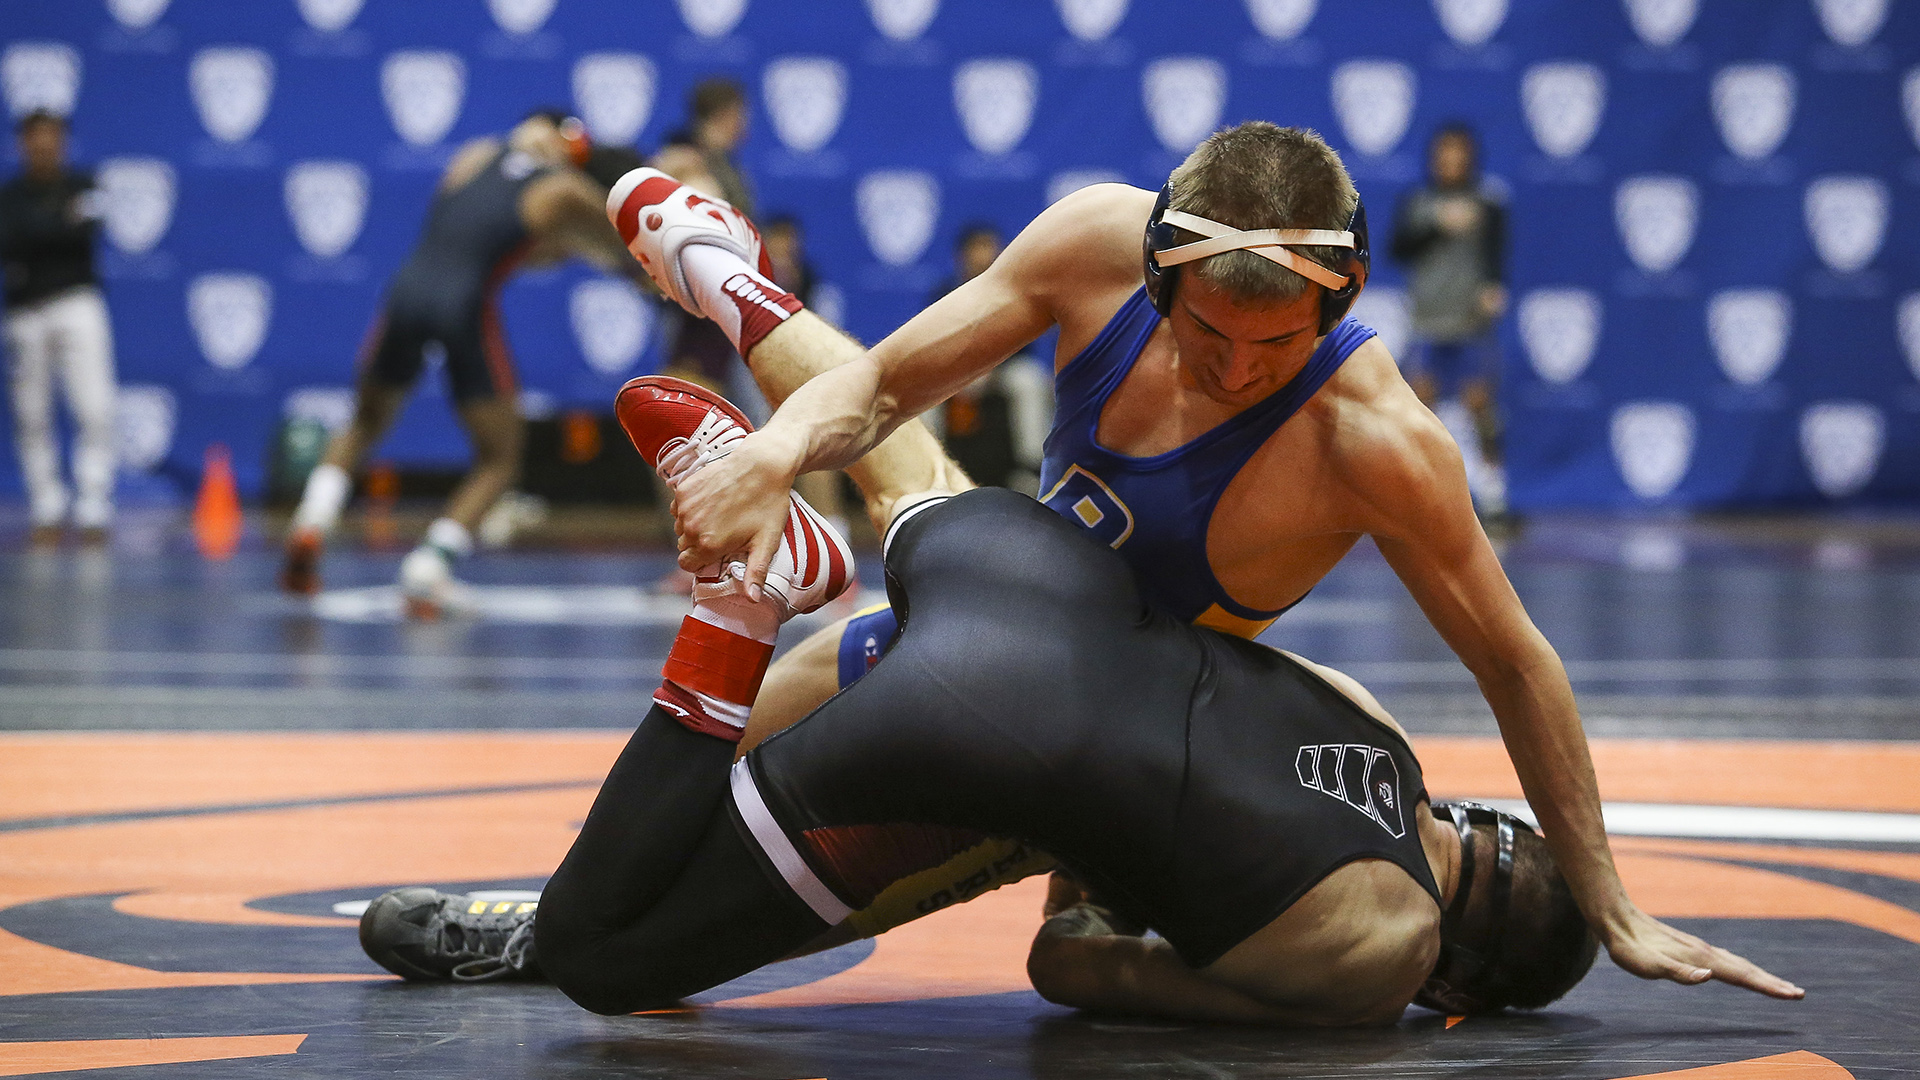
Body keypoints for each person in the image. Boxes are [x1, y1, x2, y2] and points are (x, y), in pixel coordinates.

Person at [598, 120, 1787, 993]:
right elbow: (885, 384)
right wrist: (775, 458)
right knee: (669, 818)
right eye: (1209, 331)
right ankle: (730, 288)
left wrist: (1610, 901)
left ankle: (730, 283)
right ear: (1161, 269)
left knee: (692, 923)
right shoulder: (1097, 244)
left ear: (1339, 304)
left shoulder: (1380, 443)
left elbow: (1516, 662)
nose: (1236, 369)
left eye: (1276, 345)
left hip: (1072, 732)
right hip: (985, 608)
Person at [360, 378, 1799, 1021]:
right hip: (1000, 739)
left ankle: (742, 305)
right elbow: (1075, 969)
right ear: (1462, 993)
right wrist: (1111, 865)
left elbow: (1221, 660)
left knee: (898, 448)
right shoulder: (1383, 960)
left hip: (1043, 580)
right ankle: (737, 606)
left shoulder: (1379, 724)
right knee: (623, 959)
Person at [278, 111, 643, 614]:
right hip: (463, 304)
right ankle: (429, 565)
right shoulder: (562, 190)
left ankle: (310, 523)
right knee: (500, 456)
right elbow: (620, 242)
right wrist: (639, 271)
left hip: (406, 292)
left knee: (363, 423)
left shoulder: (475, 155)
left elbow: (463, 225)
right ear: (568, 148)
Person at [0, 111, 117, 547]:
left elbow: (82, 234)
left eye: (52, 138)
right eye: (36, 139)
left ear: (64, 143)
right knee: (31, 412)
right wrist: (53, 225)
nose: (44, 147)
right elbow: (10, 242)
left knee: (94, 406)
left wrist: (36, 232)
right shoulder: (10, 196)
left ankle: (93, 504)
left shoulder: (84, 185)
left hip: (77, 303)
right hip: (25, 310)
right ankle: (45, 504)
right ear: (23, 144)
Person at [1391, 123, 1508, 515]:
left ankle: (1493, 497)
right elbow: (1398, 249)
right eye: (1445, 151)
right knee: (1420, 406)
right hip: (1426, 319)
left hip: (1471, 321)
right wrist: (1437, 225)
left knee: (1481, 405)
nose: (1452, 160)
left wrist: (1493, 286)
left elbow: (1496, 254)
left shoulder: (1488, 202)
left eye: (1459, 152)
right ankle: (1421, 497)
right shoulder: (1418, 201)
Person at [925, 224, 1052, 493]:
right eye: (978, 248)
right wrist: (963, 372)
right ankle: (928, 466)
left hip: (1001, 369)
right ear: (963, 255)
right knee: (922, 391)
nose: (984, 255)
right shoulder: (944, 294)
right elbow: (933, 343)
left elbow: (1023, 341)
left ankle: (1029, 466)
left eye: (990, 247)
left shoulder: (1012, 292)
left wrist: (992, 367)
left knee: (1029, 381)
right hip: (955, 373)